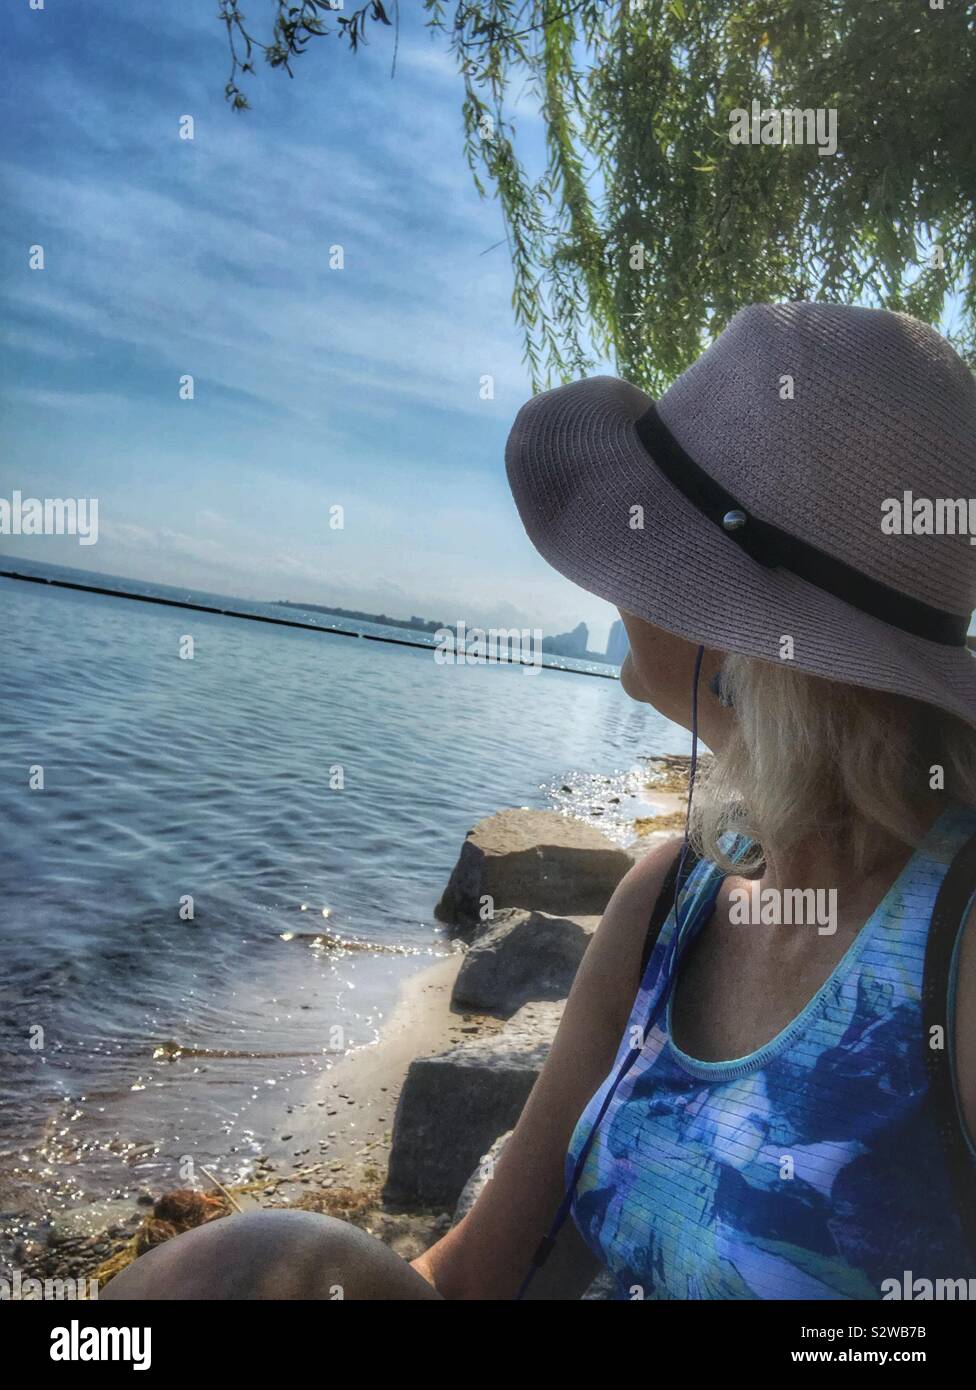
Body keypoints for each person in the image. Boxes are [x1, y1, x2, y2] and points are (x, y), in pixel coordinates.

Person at [105, 302, 976, 1300]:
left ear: (737, 631)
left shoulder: (954, 949)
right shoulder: (666, 901)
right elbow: (477, 1273)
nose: (620, 586)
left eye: (654, 548)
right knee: (244, 1270)